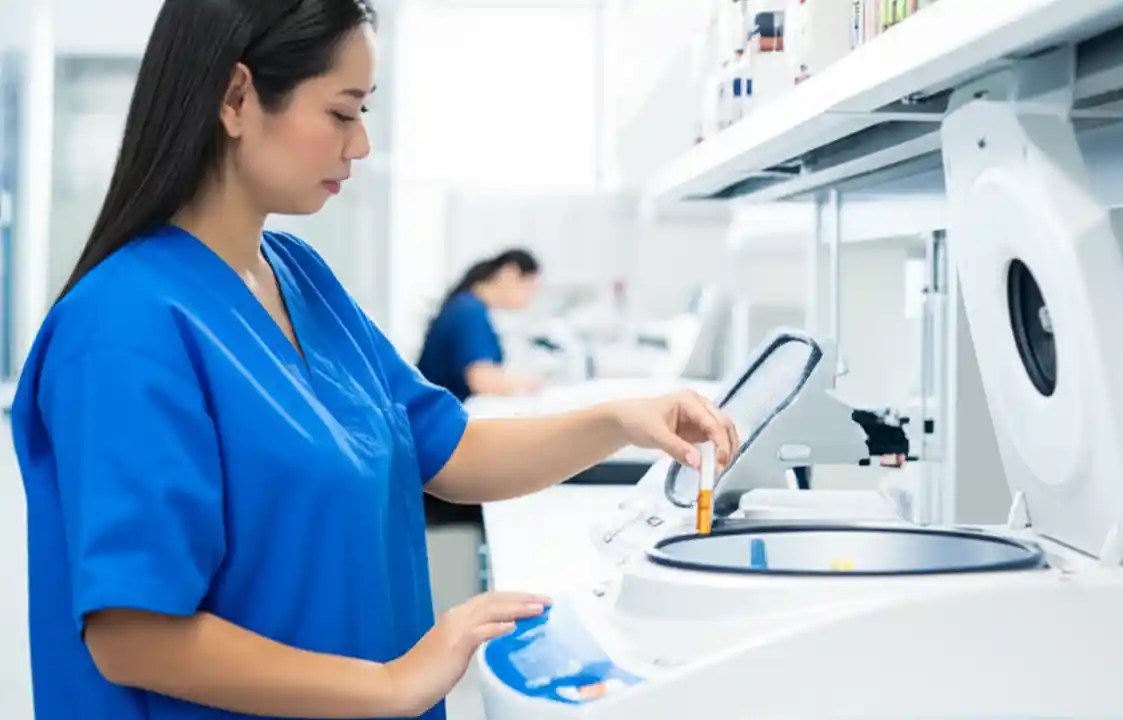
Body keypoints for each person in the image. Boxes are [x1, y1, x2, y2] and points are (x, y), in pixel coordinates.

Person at [7, 3, 739, 720]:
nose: (358, 145)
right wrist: (395, 683)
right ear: (236, 98)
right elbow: (134, 637)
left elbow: (448, 450)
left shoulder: (298, 277)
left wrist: (621, 421)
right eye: (341, 112)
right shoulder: (123, 327)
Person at [416, 249, 544, 404]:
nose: (530, 299)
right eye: (530, 289)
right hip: (440, 420)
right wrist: (530, 383)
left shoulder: (467, 305)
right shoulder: (469, 311)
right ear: (510, 274)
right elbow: (482, 380)